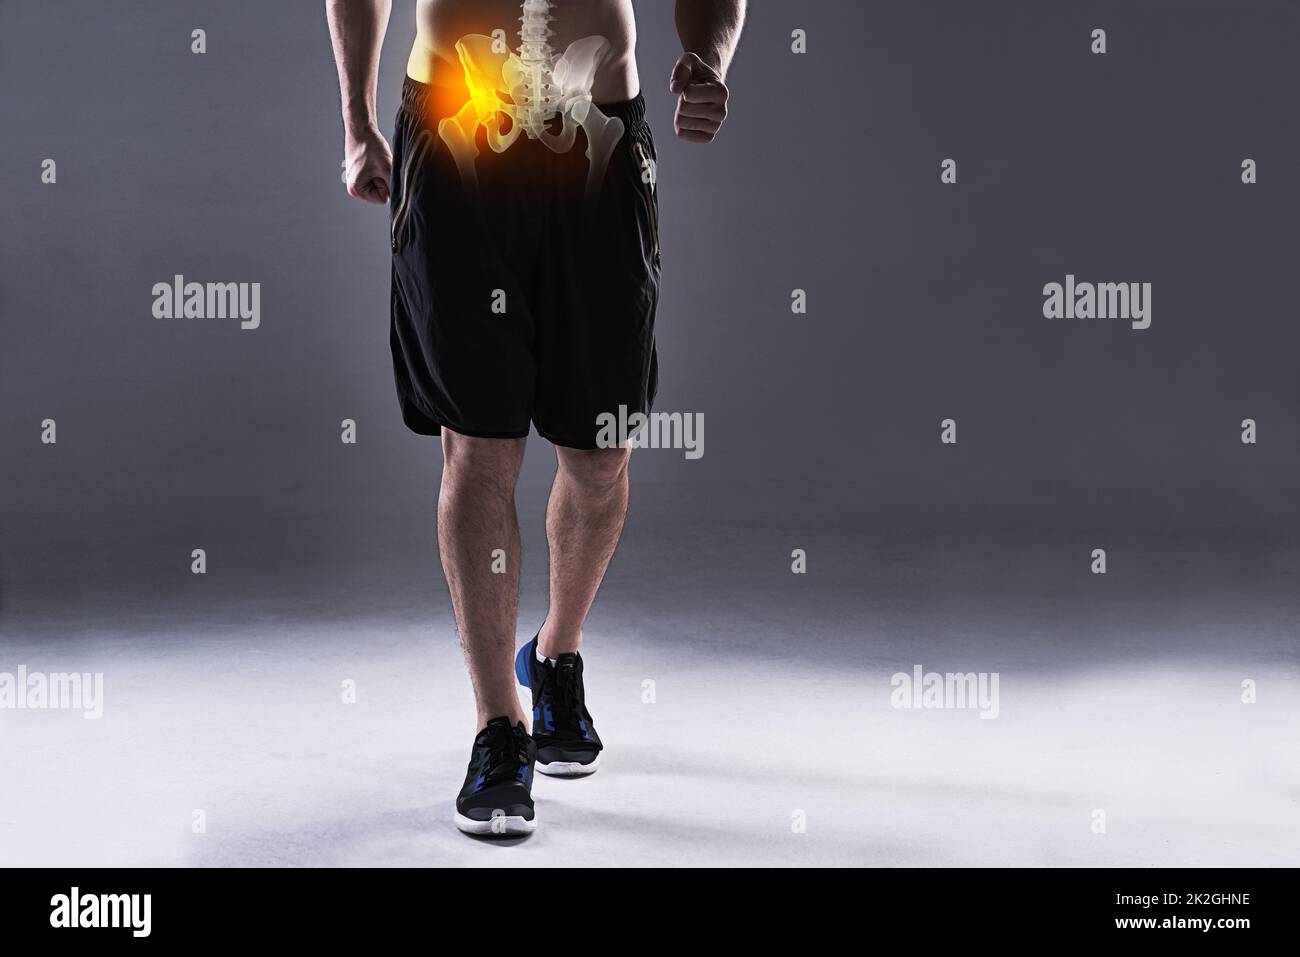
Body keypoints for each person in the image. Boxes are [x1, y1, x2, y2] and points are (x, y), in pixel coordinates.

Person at [326, 0, 744, 836]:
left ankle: (555, 651)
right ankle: (498, 724)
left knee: (600, 455)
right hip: (453, 139)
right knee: (480, 445)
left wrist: (708, 58)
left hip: (597, 143)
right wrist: (357, 120)